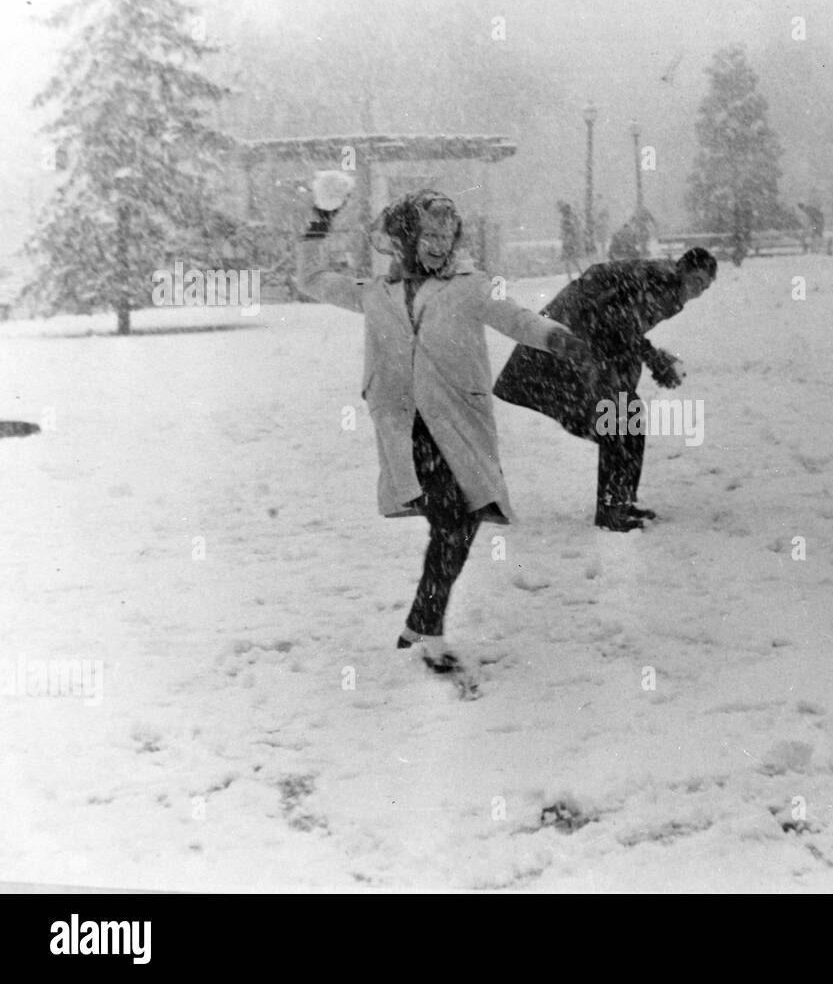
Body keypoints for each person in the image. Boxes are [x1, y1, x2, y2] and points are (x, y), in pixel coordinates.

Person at [295, 173, 591, 697]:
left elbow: (515, 316)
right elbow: (312, 277)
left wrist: (555, 338)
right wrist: (321, 218)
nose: (438, 246)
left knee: (458, 524)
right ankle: (428, 629)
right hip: (404, 426)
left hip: (456, 422)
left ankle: (422, 625)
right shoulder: (375, 293)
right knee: (454, 523)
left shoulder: (471, 286)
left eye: (445, 237)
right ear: (404, 239)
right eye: (427, 236)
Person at [492, 248, 717, 531]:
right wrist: (653, 358)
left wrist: (651, 359)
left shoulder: (667, 287)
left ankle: (622, 502)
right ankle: (611, 512)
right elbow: (614, 321)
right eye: (696, 281)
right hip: (563, 348)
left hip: (589, 348)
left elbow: (623, 328)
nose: (698, 291)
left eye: (705, 287)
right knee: (616, 422)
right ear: (682, 269)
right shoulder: (658, 281)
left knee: (627, 417)